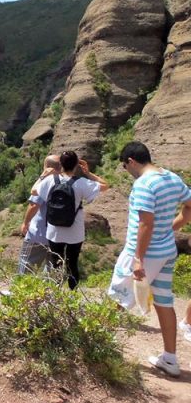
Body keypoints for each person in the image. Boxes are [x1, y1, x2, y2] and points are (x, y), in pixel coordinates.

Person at [115, 141, 191, 377]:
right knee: (164, 302)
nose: (127, 172)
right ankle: (170, 359)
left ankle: (96, 349)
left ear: (131, 161)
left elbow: (146, 223)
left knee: (117, 297)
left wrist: (138, 258)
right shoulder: (171, 178)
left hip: (144, 253)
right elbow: (189, 206)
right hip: (167, 250)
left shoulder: (143, 185)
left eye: (125, 167)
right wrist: (171, 227)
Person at [29, 150, 108, 290]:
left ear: (61, 164)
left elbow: (34, 191)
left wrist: (42, 176)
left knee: (56, 264)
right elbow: (105, 185)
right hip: (75, 231)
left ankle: (56, 295)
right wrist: (88, 173)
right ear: (76, 165)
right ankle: (73, 295)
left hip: (54, 231)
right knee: (72, 265)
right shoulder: (82, 182)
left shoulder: (50, 180)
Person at [17, 154, 60, 274]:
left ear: (46, 167)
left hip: (39, 234)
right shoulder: (68, 182)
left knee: (26, 269)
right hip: (59, 236)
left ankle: (20, 291)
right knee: (53, 273)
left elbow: (34, 205)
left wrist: (25, 223)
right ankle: (51, 293)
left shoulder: (45, 182)